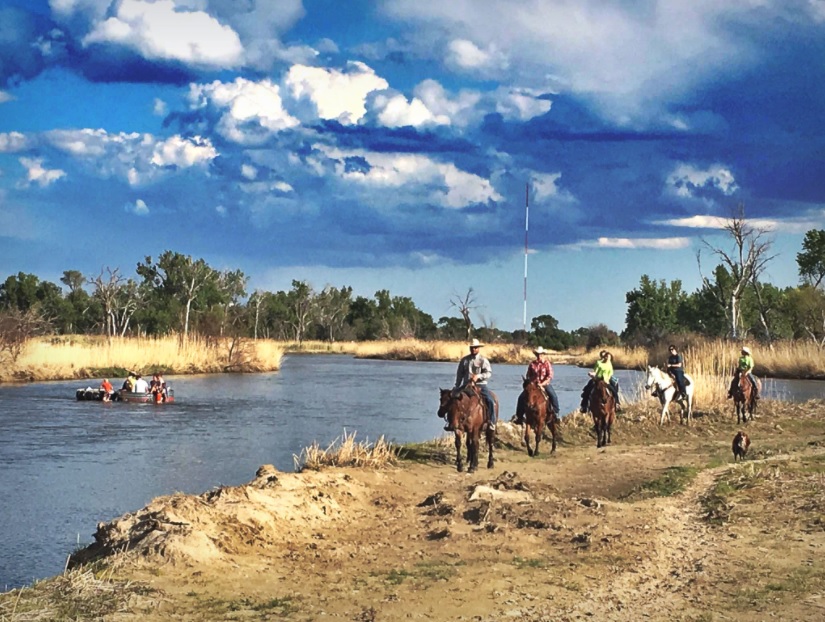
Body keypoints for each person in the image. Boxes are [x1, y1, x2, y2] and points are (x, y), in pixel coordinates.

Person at [449, 338, 496, 431]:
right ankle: (451, 422)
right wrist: (456, 386)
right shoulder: (464, 360)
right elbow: (460, 374)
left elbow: (489, 373)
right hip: (466, 385)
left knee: (490, 400)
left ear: (478, 348)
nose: (473, 349)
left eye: (475, 348)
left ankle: (491, 422)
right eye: (472, 348)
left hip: (480, 385)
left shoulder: (483, 360)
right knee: (452, 399)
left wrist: (478, 376)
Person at [515, 346, 560, 424]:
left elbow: (550, 376)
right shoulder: (532, 364)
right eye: (538, 354)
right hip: (533, 386)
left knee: (553, 395)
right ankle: (519, 416)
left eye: (541, 354)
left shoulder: (546, 363)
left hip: (544, 384)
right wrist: (530, 383)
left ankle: (556, 413)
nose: (539, 356)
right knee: (521, 398)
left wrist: (542, 384)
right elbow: (528, 375)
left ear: (543, 354)